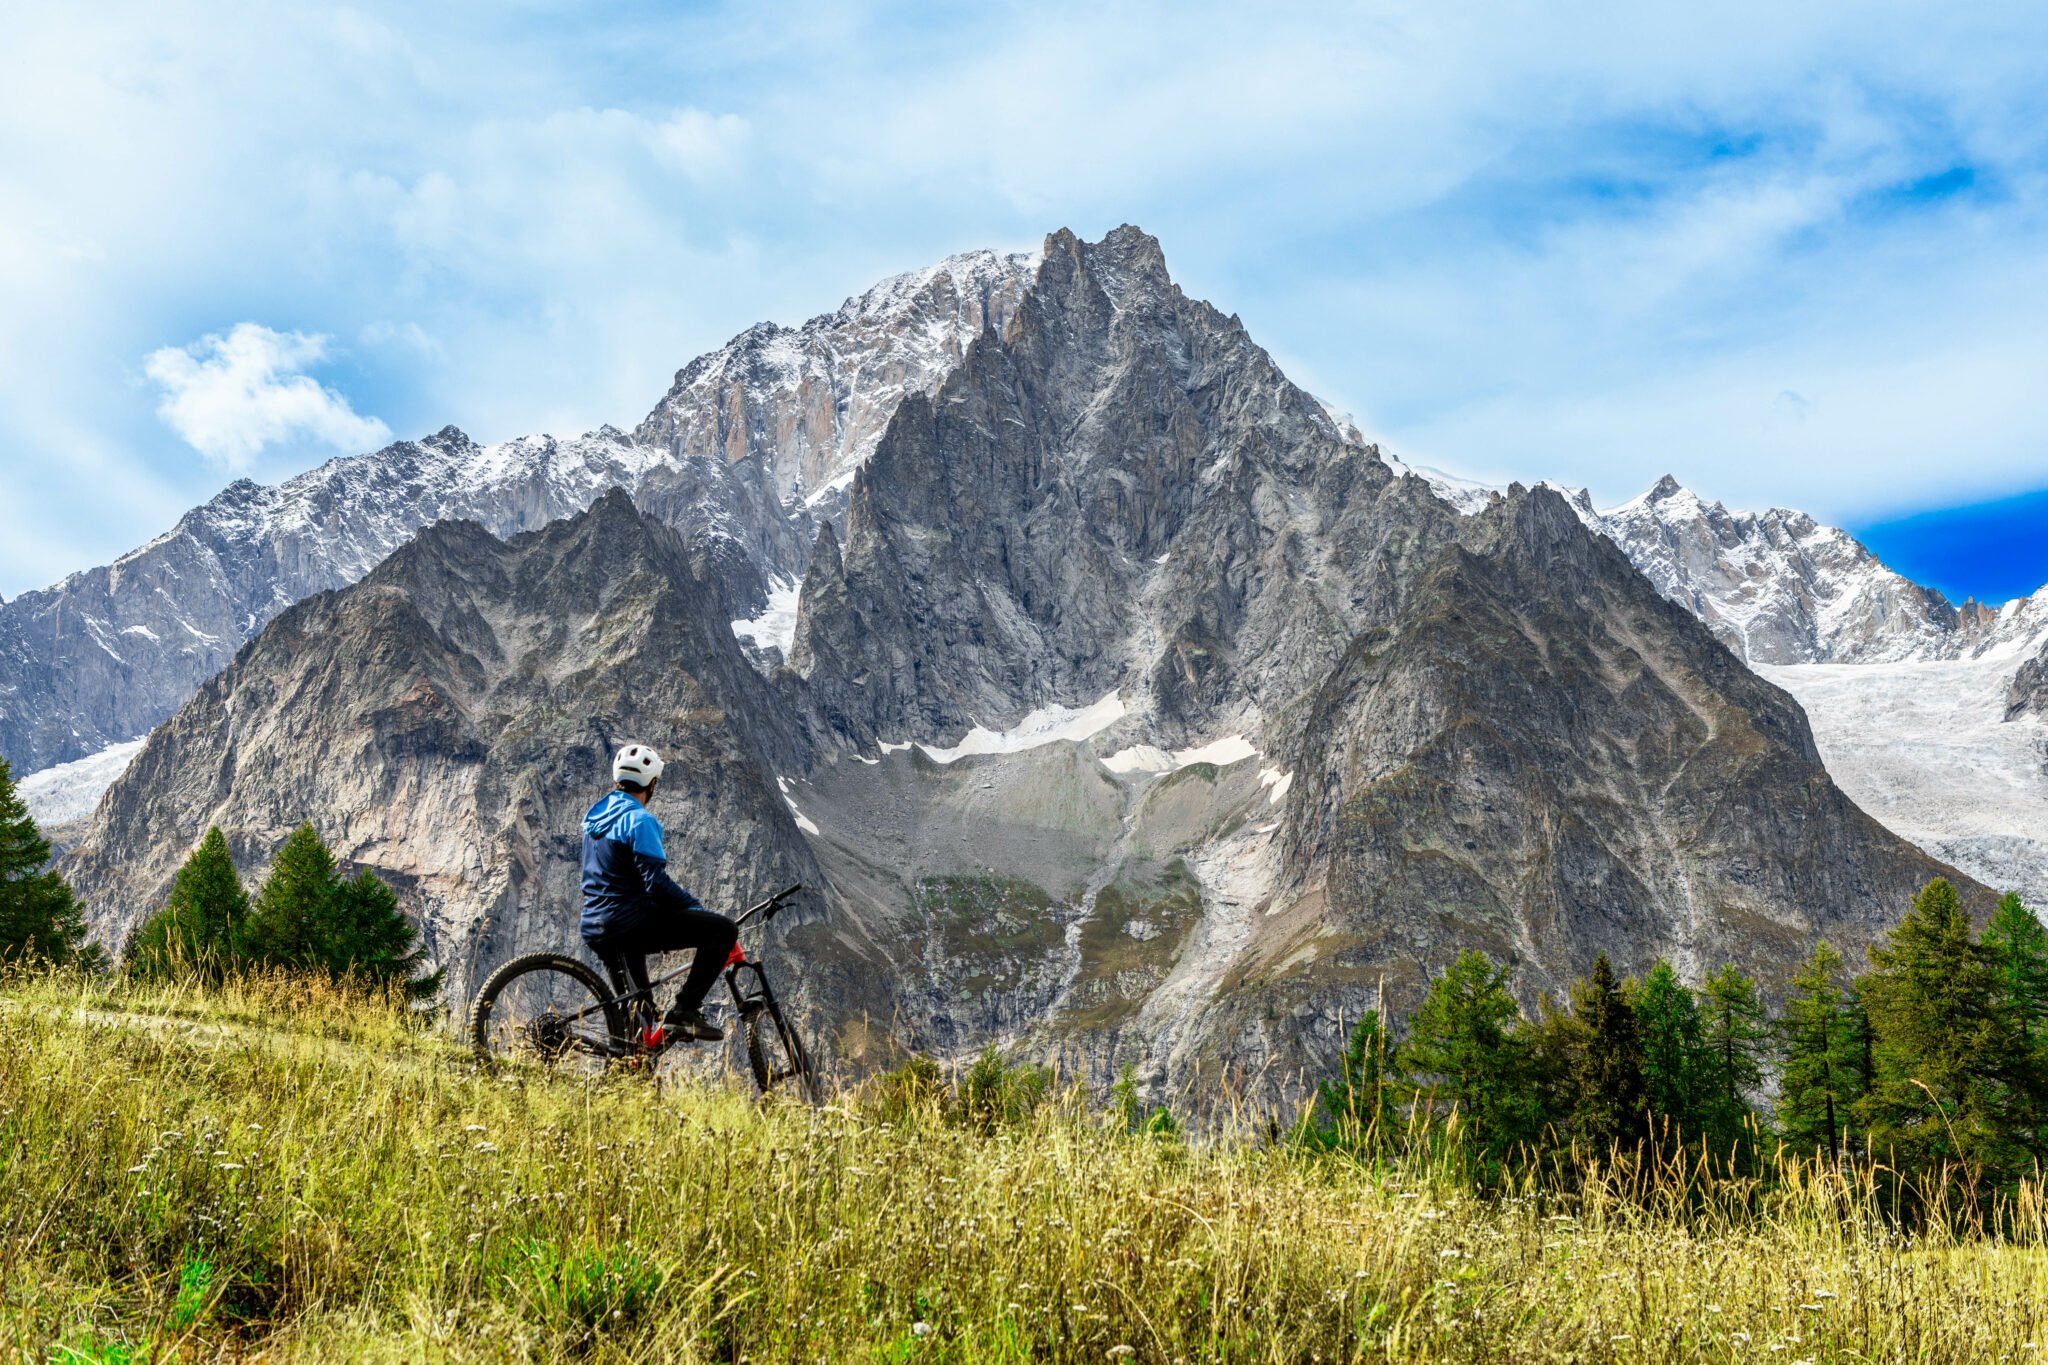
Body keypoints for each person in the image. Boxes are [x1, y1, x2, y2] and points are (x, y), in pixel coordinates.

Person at [581, 743, 736, 1045]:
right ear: (652, 784)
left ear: (616, 780)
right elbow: (656, 882)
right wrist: (693, 907)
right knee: (723, 930)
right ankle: (685, 1010)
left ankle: (626, 1064)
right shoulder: (640, 821)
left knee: (638, 1014)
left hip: (595, 925)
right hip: (627, 924)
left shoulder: (592, 819)